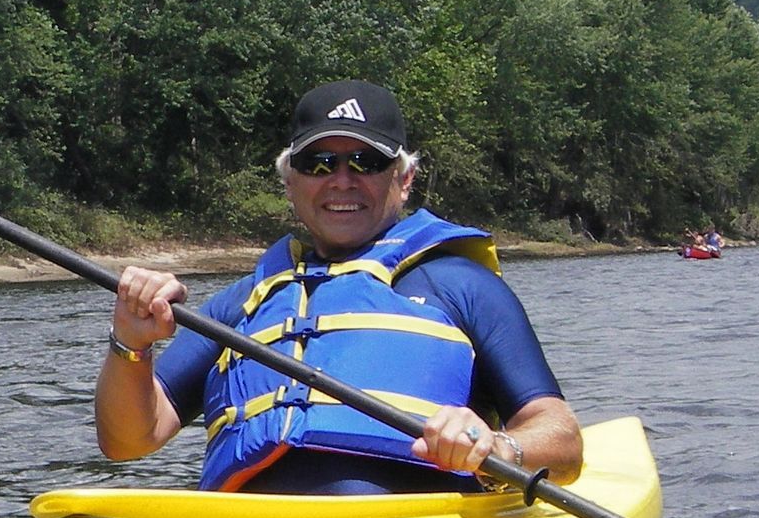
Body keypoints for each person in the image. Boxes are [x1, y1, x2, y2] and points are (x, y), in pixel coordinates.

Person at [96, 79, 583, 495]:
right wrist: (130, 344)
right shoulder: (242, 303)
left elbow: (562, 438)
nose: (342, 181)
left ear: (405, 178)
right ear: (290, 181)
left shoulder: (461, 287)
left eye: (367, 162)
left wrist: (499, 446)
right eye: (320, 163)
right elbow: (129, 441)